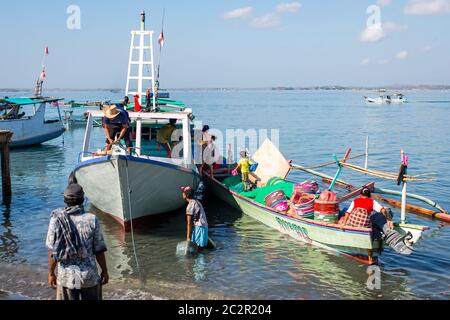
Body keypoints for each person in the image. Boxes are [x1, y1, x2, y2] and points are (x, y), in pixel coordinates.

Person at [46, 183, 109, 300]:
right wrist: (105, 271)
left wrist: (51, 273)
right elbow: (99, 251)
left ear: (65, 200)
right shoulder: (92, 219)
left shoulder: (57, 219)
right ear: (82, 200)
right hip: (88, 277)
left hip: (67, 277)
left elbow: (53, 251)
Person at [339, 187, 394, 264]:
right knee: (372, 227)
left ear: (361, 195)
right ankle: (370, 258)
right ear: (369, 195)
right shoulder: (372, 202)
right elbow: (383, 210)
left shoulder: (355, 201)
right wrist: (388, 219)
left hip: (353, 224)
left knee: (341, 219)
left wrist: (343, 224)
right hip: (364, 226)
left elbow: (348, 213)